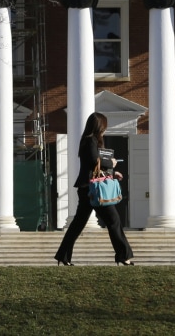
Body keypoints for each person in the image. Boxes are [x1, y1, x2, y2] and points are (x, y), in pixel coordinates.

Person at [54, 112, 135, 266]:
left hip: (88, 188)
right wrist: (111, 163)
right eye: (104, 127)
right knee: (114, 221)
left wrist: (112, 173)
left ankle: (63, 256)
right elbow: (93, 161)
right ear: (99, 127)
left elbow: (95, 167)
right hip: (93, 190)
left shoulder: (89, 141)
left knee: (78, 224)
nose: (105, 131)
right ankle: (123, 256)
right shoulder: (90, 140)